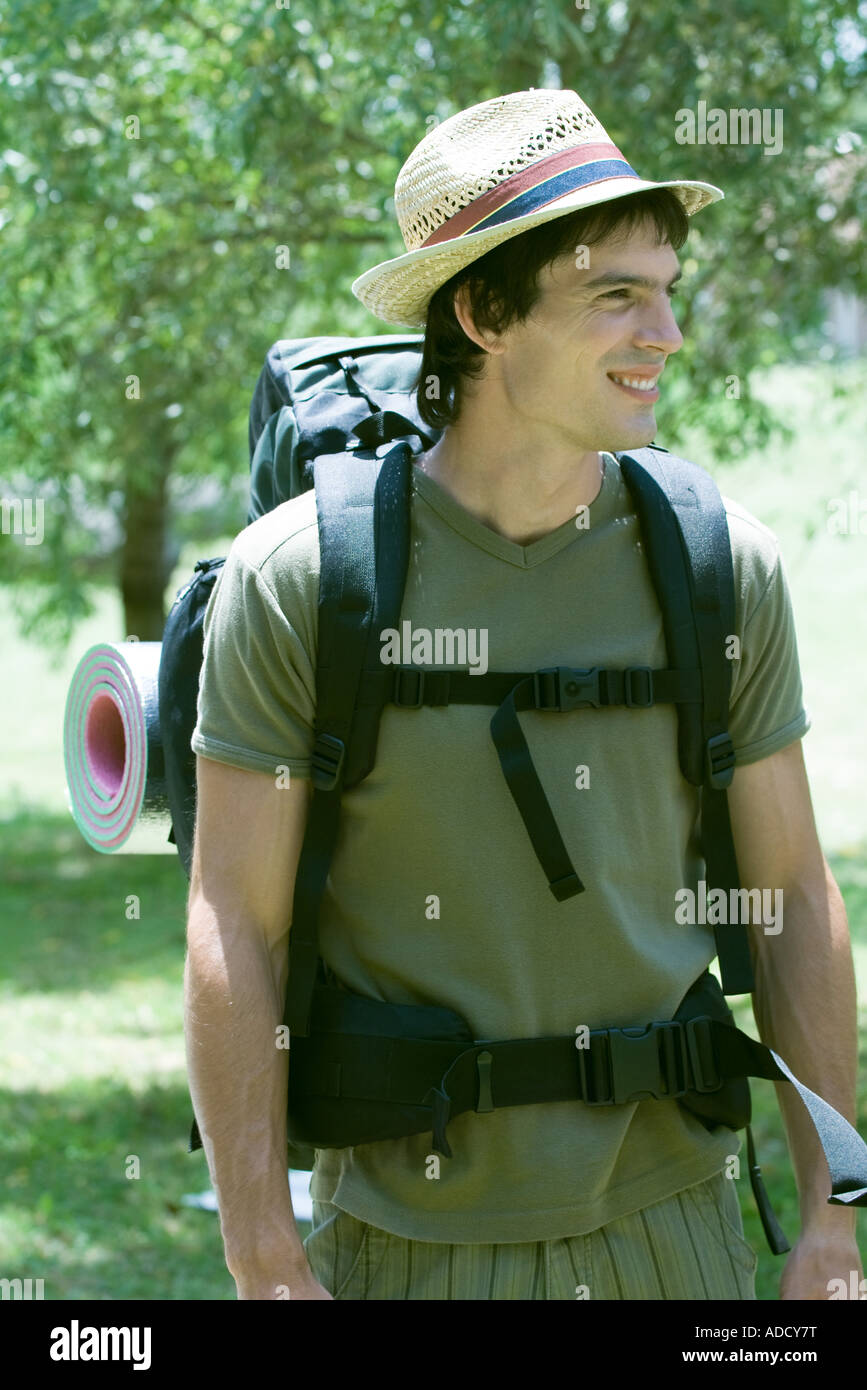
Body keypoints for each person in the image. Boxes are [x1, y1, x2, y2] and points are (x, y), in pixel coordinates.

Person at [184, 88, 862, 1300]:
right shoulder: (302, 579)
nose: (665, 331)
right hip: (400, 1246)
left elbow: (796, 899)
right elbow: (237, 920)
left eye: (667, 289)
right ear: (485, 311)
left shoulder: (718, 565)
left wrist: (828, 1221)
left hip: (682, 1237)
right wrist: (261, 1254)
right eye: (616, 295)